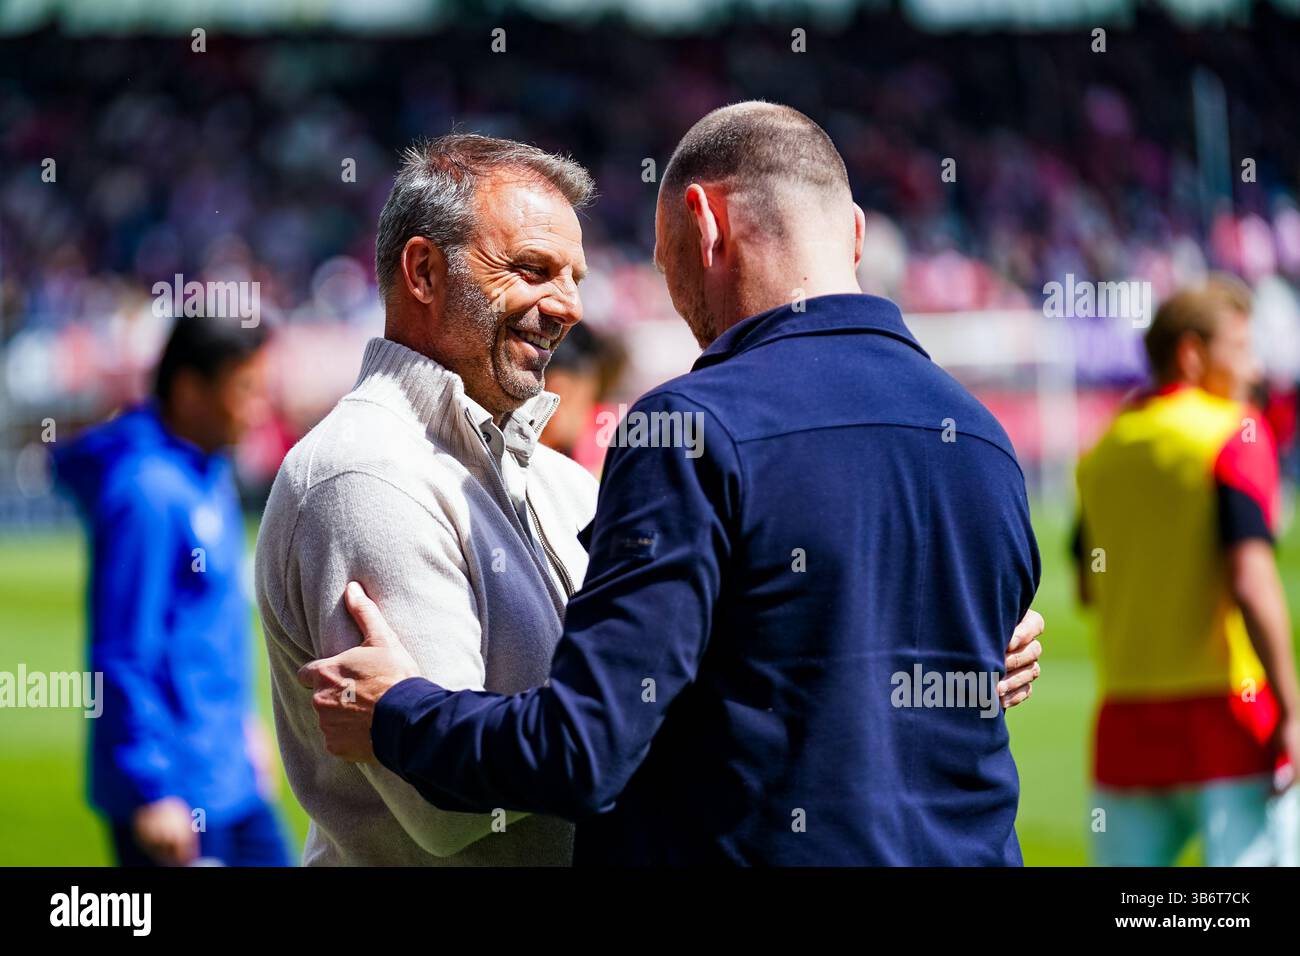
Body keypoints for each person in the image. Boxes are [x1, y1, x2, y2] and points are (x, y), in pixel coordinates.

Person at [299, 102, 1045, 865]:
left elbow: (585, 752)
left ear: (705, 224)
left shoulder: (689, 432)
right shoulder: (982, 438)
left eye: (664, 262)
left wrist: (398, 710)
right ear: (852, 233)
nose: (574, 308)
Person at [255, 135, 601, 865]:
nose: (568, 306)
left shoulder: (558, 479)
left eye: (574, 277)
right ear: (422, 271)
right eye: (533, 269)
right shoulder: (364, 476)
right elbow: (449, 806)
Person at [1075, 277, 1300, 866]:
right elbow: (1252, 581)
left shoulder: (1104, 450)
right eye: (1242, 349)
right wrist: (1293, 711)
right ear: (1192, 354)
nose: (1254, 369)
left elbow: (1087, 587)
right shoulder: (1236, 433)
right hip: (1227, 719)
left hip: (1125, 730)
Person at [54, 316, 286, 867]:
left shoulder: (208, 472)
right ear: (189, 391)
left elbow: (206, 631)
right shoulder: (145, 493)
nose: (258, 409)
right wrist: (151, 789)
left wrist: (243, 726)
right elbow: (121, 654)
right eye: (244, 389)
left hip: (228, 774)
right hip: (177, 793)